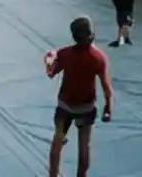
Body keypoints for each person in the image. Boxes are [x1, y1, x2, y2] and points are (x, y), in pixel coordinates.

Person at [45, 16, 113, 177]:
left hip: (65, 105)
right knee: (84, 147)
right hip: (86, 106)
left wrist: (48, 58)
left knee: (58, 141)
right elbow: (106, 87)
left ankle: (53, 175)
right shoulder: (98, 58)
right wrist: (108, 107)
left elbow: (50, 72)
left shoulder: (65, 54)